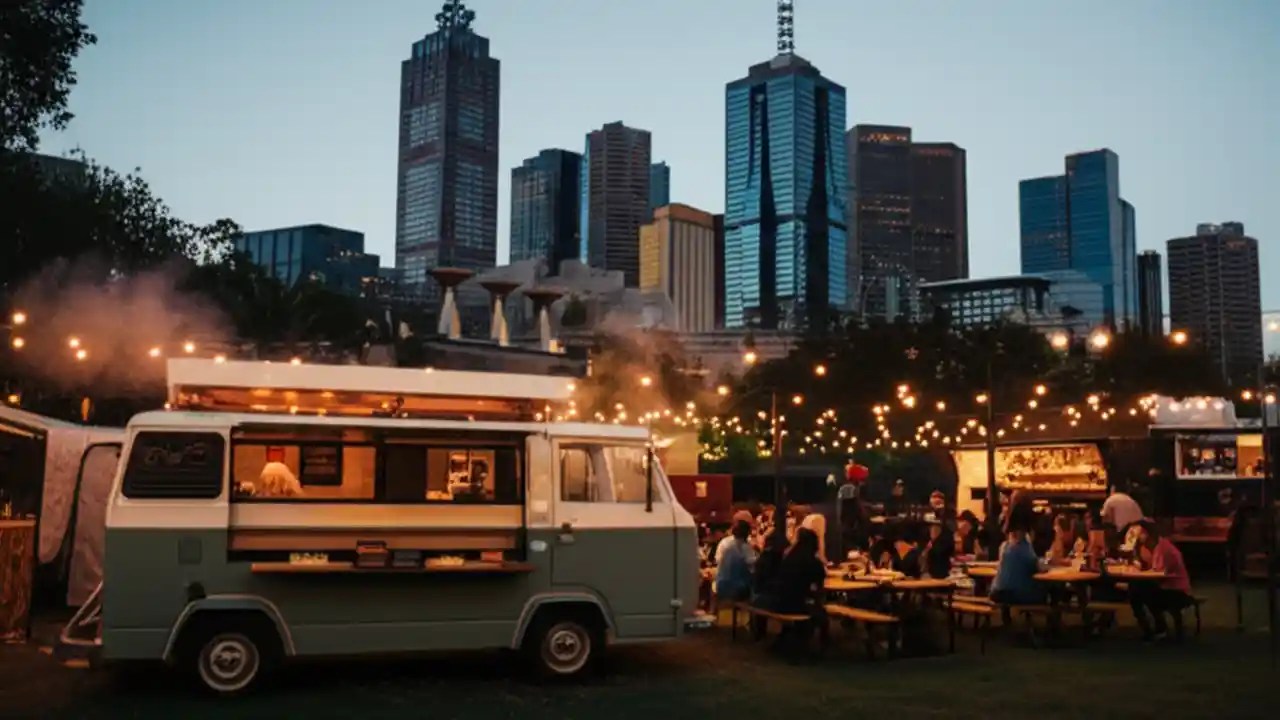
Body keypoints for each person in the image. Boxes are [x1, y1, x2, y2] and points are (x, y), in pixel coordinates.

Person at [1130, 520, 1193, 641]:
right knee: (1136, 590)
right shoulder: (1154, 546)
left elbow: (1159, 573)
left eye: (1139, 532)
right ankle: (1154, 628)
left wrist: (1141, 571)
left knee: (1138, 590)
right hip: (1165, 586)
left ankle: (1156, 629)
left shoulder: (1164, 548)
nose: (1136, 536)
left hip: (1176, 589)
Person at [775, 527, 829, 650]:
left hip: (780, 602)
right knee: (822, 615)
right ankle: (823, 646)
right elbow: (819, 585)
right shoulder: (812, 561)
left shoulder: (789, 557)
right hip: (798, 605)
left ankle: (790, 637)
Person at [990, 528, 1046, 605]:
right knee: (1045, 593)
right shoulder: (1026, 548)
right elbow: (1037, 567)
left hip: (996, 592)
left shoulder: (1005, 546)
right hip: (1016, 594)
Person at [714, 520, 757, 603]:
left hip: (721, 586)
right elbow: (753, 568)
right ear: (747, 533)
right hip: (737, 589)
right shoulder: (745, 547)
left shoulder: (727, 545)